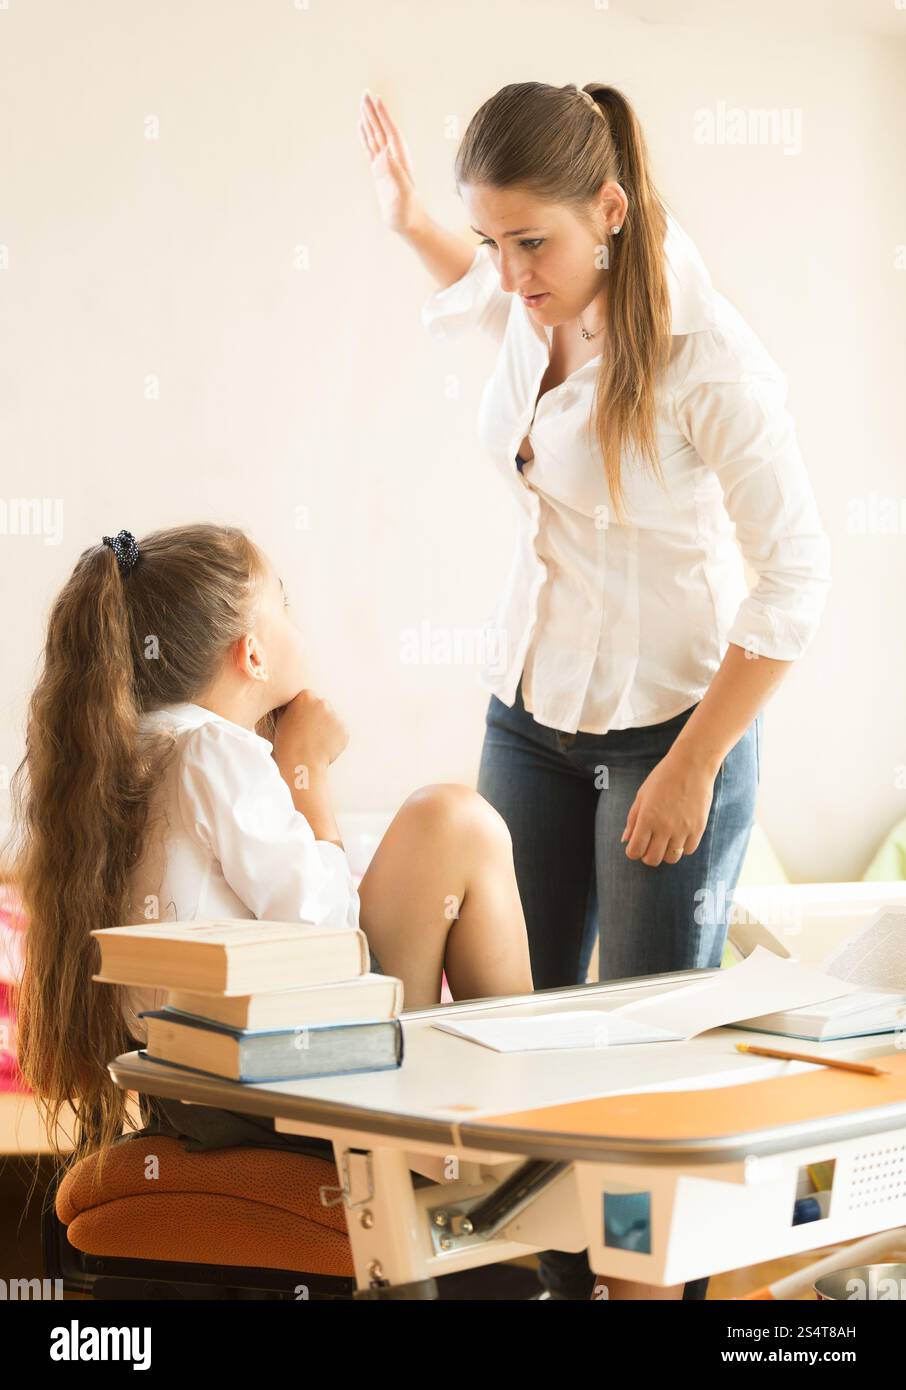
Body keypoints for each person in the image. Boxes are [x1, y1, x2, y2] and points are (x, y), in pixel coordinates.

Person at [359, 81, 831, 1299]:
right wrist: (414, 217)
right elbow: (476, 293)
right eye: (495, 238)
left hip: (668, 730)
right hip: (529, 709)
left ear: (611, 209)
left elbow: (796, 582)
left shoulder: (703, 355)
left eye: (536, 242)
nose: (513, 273)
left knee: (637, 1073)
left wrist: (693, 764)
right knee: (512, 1042)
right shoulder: (530, 293)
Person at [10, 523, 532, 1173]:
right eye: (283, 606)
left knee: (444, 819)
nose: (298, 625)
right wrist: (306, 769)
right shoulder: (212, 751)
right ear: (252, 656)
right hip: (274, 1095)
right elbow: (328, 935)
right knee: (458, 821)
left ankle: (508, 1132)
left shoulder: (125, 751)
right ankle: (520, 1135)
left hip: (190, 1097)